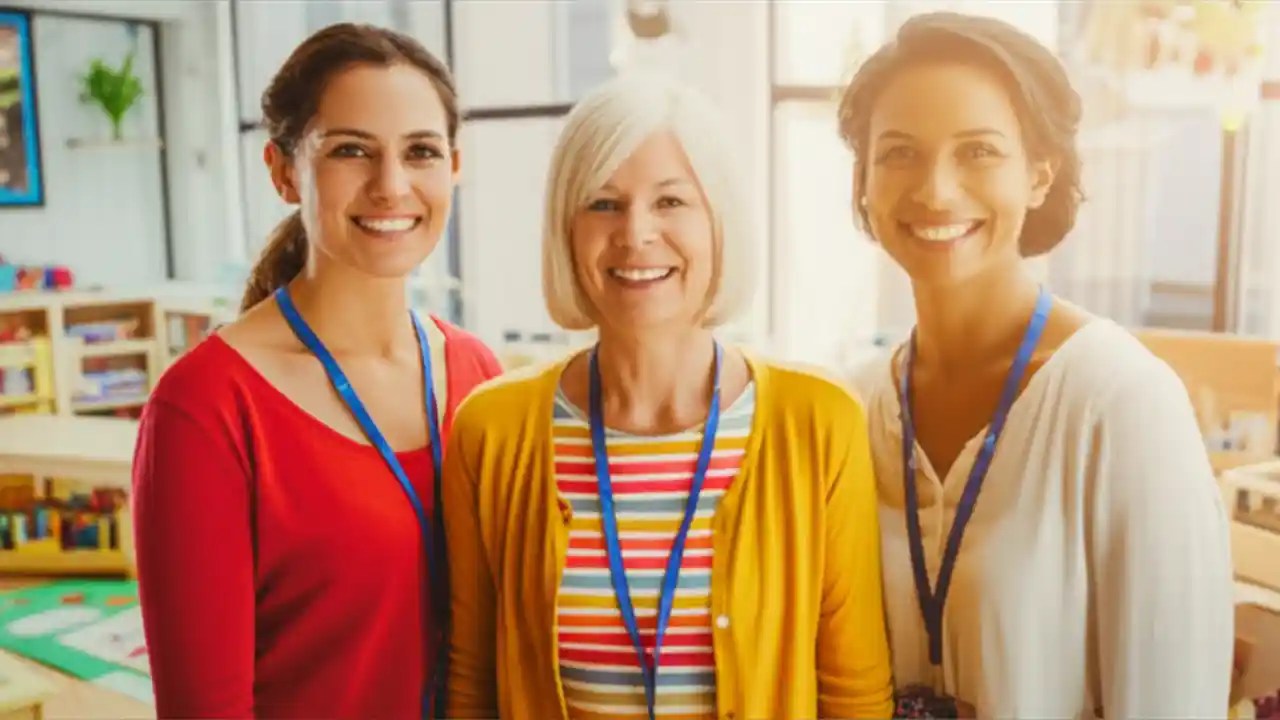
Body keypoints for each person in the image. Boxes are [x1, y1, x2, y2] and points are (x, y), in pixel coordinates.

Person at [441, 72, 894, 720]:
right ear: (566, 230)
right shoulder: (491, 430)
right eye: (603, 203)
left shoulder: (819, 423)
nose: (636, 234)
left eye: (671, 202)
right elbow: (471, 684)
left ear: (719, 223)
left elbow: (855, 697)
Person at [837, 11, 1235, 719]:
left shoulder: (1120, 405)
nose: (934, 189)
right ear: (863, 178)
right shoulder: (853, 406)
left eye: (979, 151)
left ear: (1040, 174)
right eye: (898, 152)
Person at [131, 23, 501, 718]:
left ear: (452, 166)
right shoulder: (207, 406)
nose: (391, 185)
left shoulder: (476, 372)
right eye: (350, 151)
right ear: (281, 170)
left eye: (420, 151)